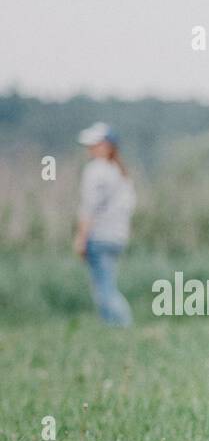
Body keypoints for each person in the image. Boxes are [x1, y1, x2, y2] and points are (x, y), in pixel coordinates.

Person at [74, 122, 136, 327]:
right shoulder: (119, 172)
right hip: (117, 237)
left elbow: (88, 208)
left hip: (99, 236)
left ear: (107, 146)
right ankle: (113, 327)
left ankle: (122, 325)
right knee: (107, 285)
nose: (90, 148)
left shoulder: (95, 170)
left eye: (95, 144)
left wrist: (81, 239)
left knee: (104, 289)